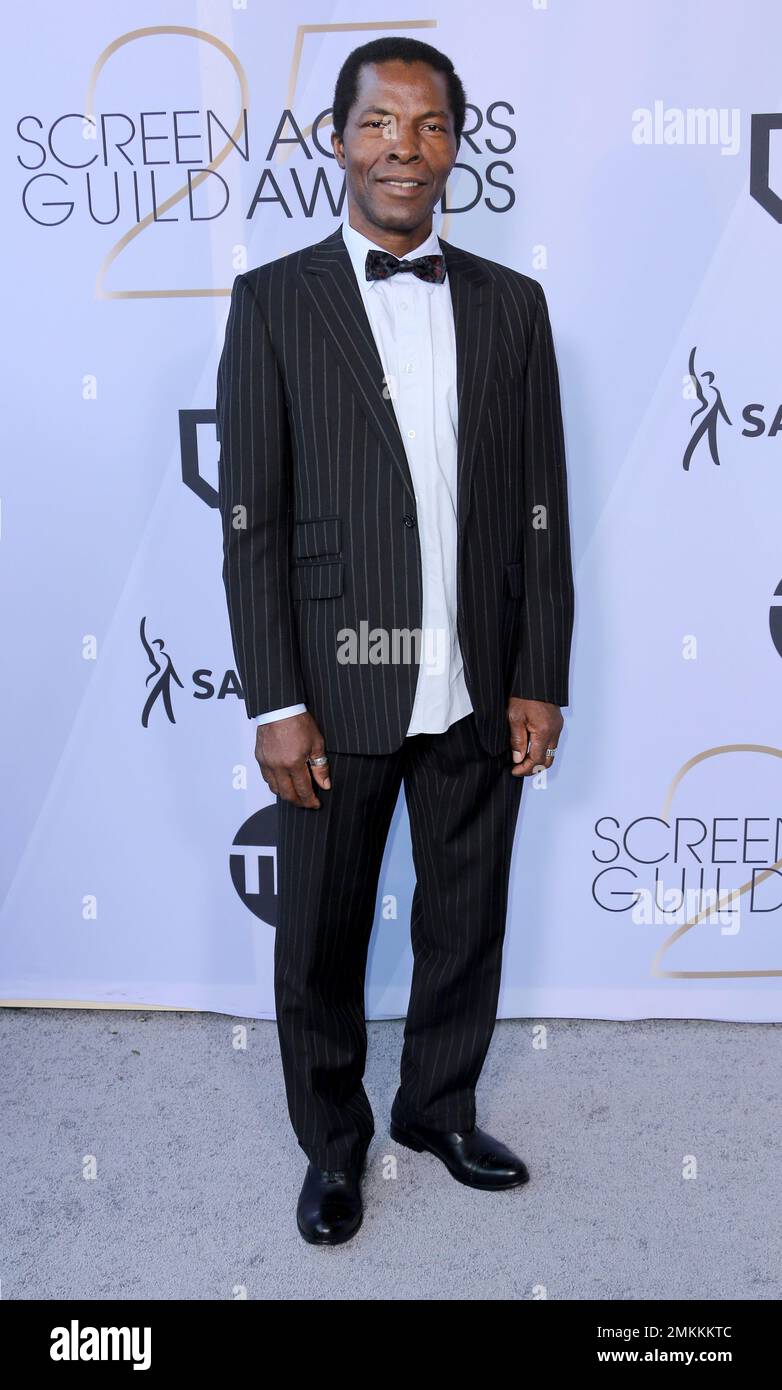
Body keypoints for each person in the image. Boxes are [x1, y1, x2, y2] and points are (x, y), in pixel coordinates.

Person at [216, 35, 575, 1246]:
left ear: (456, 146)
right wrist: (275, 699)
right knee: (318, 934)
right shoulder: (271, 301)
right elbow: (250, 524)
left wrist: (538, 674)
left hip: (476, 678)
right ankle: (332, 1144)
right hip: (335, 676)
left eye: (426, 128)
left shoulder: (512, 307)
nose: (402, 151)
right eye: (378, 125)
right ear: (337, 138)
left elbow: (542, 511)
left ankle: (437, 1106)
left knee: (463, 916)